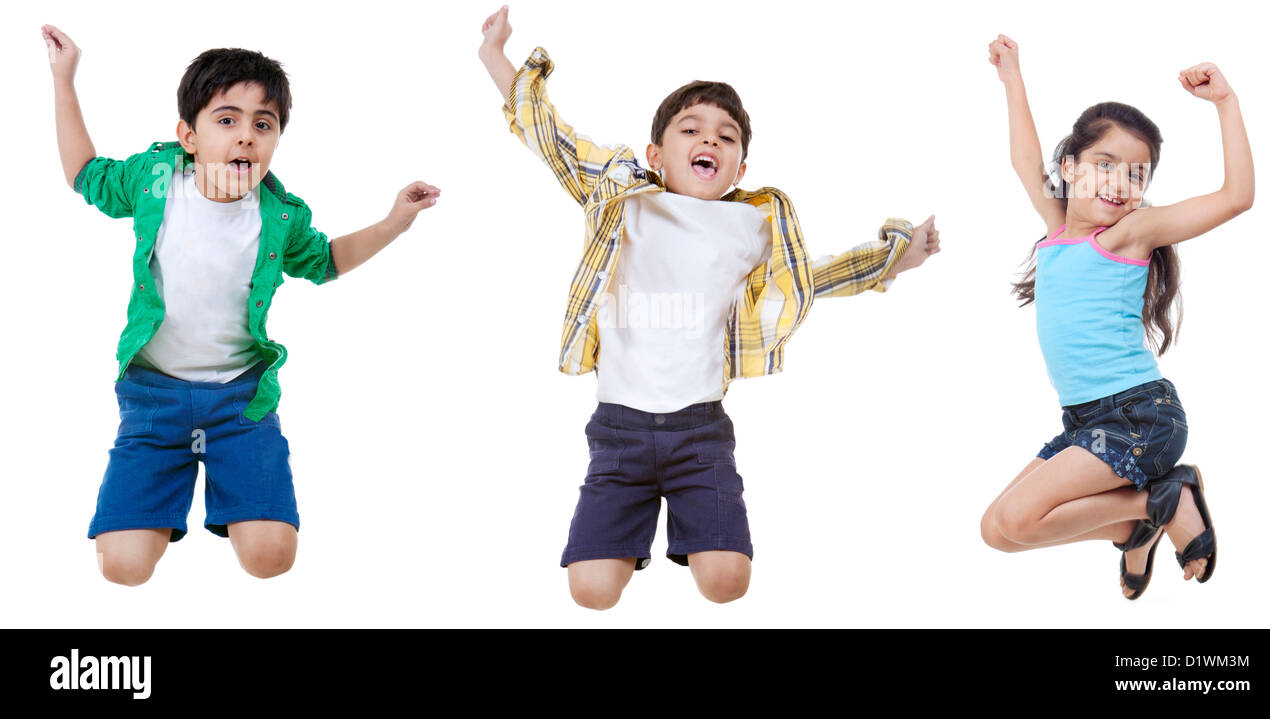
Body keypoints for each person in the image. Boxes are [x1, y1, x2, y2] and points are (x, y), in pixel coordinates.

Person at [478, 6, 940, 609]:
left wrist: (892, 260)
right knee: (592, 594)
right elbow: (553, 139)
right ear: (656, 153)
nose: (709, 141)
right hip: (619, 431)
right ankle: (634, 527)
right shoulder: (620, 198)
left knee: (726, 584)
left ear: (739, 168)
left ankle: (694, 528)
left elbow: (806, 281)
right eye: (691, 130)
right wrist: (496, 57)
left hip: (700, 433)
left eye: (725, 137)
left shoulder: (749, 224)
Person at [43, 24, 439, 585]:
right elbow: (84, 173)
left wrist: (394, 223)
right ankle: (172, 479)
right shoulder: (153, 180)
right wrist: (65, 79)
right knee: (122, 568)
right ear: (189, 135)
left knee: (271, 558)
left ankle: (235, 485)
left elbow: (326, 261)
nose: (246, 136)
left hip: (239, 403)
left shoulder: (279, 216)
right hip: (154, 398)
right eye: (226, 120)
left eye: (263, 124)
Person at [979, 34, 1253, 599]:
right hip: (1086, 421)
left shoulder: (1129, 235)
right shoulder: (1056, 228)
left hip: (1139, 416)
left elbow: (1236, 198)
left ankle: (1167, 502)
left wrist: (1226, 103)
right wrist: (1012, 78)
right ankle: (1148, 518)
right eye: (1105, 164)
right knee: (998, 531)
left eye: (1136, 174)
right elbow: (1024, 159)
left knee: (1021, 517)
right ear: (1070, 167)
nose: (1120, 183)